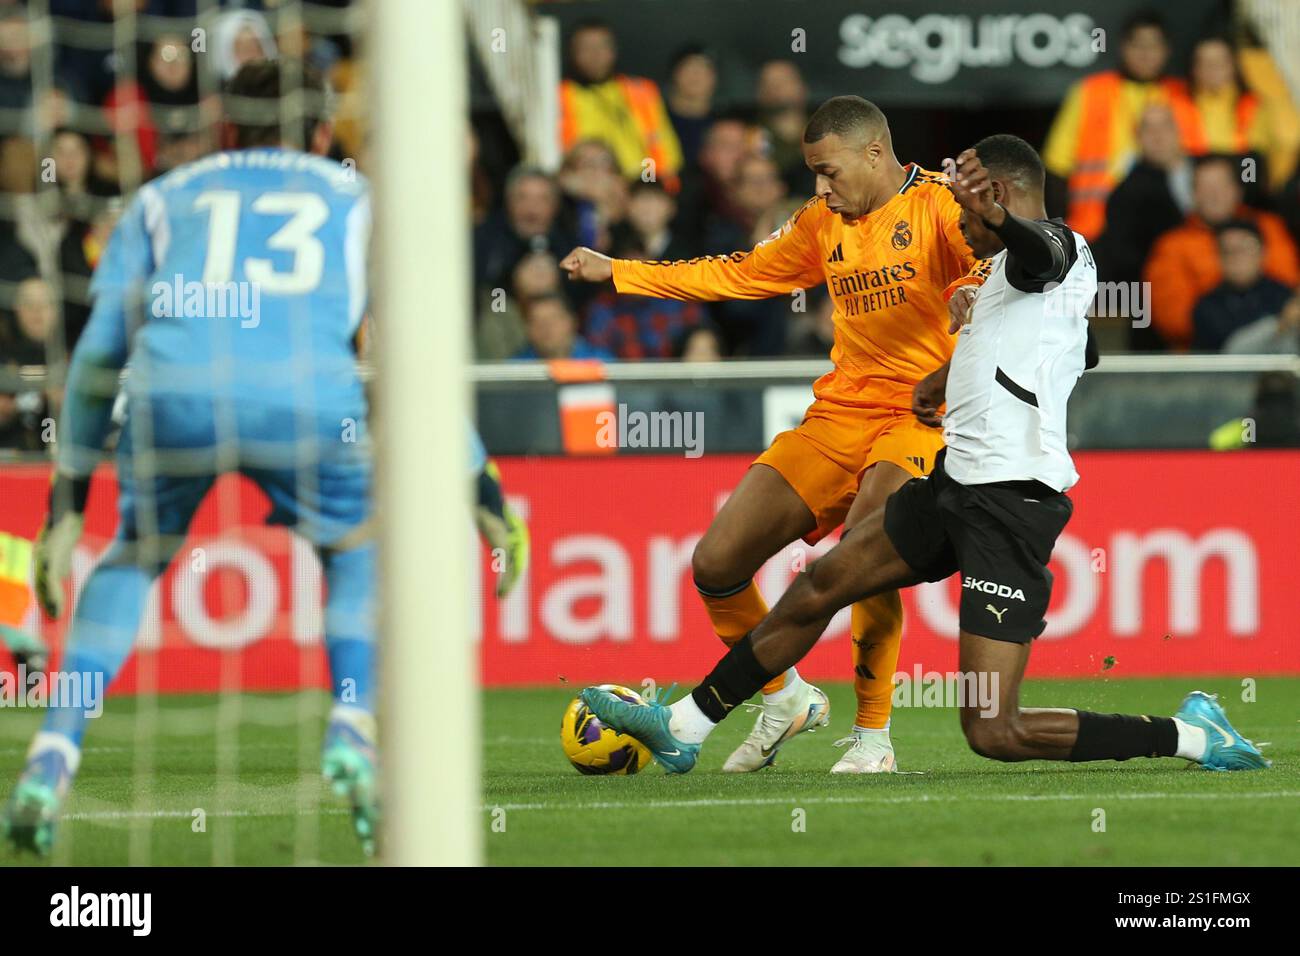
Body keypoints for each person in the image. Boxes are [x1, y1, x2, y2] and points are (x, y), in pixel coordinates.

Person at [582, 135, 1270, 778]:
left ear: (999, 196)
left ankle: (1192, 734)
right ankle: (685, 725)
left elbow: (1040, 256)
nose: (959, 226)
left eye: (971, 212)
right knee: (821, 586)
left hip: (1011, 501)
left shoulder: (1052, 247)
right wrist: (957, 371)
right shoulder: (1006, 274)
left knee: (993, 730)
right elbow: (1071, 343)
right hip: (952, 487)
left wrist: (997, 225)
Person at [1, 60, 380, 856]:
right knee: (355, 550)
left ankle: (53, 750)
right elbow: (409, 350)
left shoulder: (161, 196)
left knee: (132, 557)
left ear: (223, 125)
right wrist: (474, 475)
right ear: (321, 134)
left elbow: (100, 356)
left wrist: (67, 501)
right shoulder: (356, 198)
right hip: (306, 397)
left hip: (175, 388)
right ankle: (352, 724)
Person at [562, 95, 989, 775]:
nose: (820, 188)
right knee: (717, 563)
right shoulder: (822, 222)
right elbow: (739, 272)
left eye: (829, 171)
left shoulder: (939, 206)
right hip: (837, 416)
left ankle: (873, 739)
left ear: (875, 153)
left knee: (865, 553)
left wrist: (973, 294)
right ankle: (786, 697)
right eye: (814, 174)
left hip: (918, 417)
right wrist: (621, 271)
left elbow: (994, 269)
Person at [1043, 10, 1194, 240]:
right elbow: (1056, 170)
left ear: (1166, 50)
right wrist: (1060, 234)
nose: (1145, 54)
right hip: (1095, 231)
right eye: (1138, 45)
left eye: (1153, 46)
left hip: (1173, 231)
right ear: (1123, 47)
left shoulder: (1183, 95)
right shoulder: (1090, 92)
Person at [1145, 154, 1299, 349]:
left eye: (1222, 185)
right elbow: (1174, 321)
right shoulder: (1172, 245)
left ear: (1238, 190)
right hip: (1206, 359)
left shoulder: (1269, 228)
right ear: (1192, 194)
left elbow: (1289, 290)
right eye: (1205, 187)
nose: (1214, 194)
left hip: (1276, 353)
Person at [557, 19, 683, 190]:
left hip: (643, 189)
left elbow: (662, 152)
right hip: (584, 190)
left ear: (613, 51)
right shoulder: (558, 95)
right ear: (572, 53)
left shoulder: (641, 90)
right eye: (586, 48)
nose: (595, 55)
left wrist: (645, 185)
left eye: (602, 47)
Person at [1192, 220, 1294, 351]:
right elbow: (1232, 352)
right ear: (1218, 258)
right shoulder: (1206, 306)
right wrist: (1280, 324)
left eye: (1243, 249)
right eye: (1227, 251)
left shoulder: (1285, 295)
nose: (1236, 257)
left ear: (1263, 252)